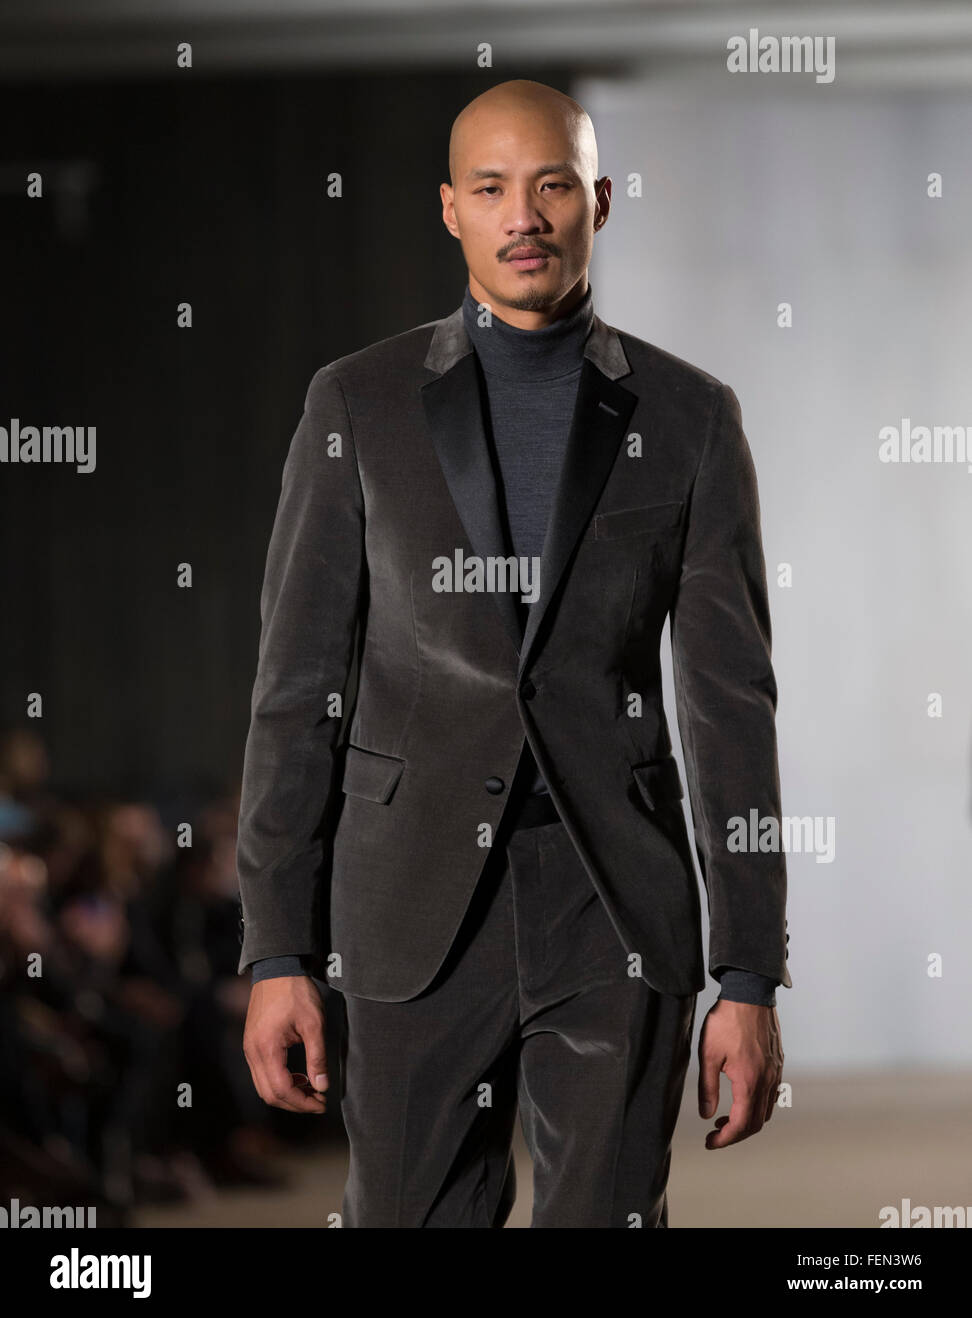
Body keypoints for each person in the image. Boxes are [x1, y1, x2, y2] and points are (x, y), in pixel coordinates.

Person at [237, 79, 790, 1228]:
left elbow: (730, 706)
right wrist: (275, 946)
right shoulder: (359, 403)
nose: (522, 214)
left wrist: (746, 974)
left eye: (550, 186)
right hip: (406, 907)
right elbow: (296, 693)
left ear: (598, 201)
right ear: (451, 209)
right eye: (491, 188)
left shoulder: (688, 418)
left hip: (613, 905)